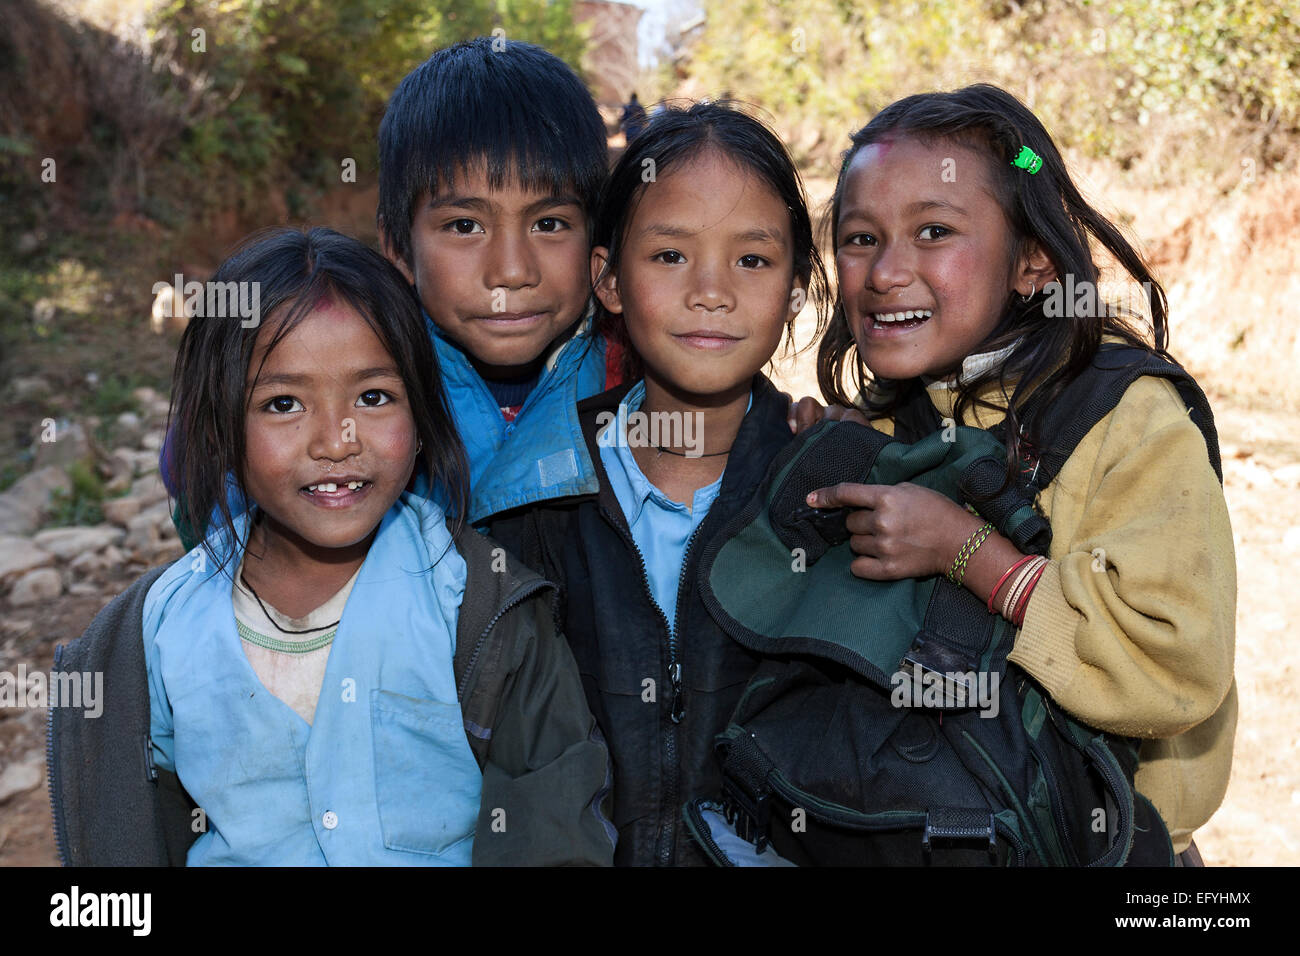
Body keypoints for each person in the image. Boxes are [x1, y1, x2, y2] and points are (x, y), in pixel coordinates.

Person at [49, 227, 615, 866]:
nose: (336, 439)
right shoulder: (158, 633)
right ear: (219, 432)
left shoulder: (482, 610)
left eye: (373, 397)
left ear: (424, 418)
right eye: (284, 403)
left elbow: (555, 830)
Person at [807, 84, 1235, 862]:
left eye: (933, 231)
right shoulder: (882, 415)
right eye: (860, 238)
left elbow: (1175, 663)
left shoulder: (1125, 420)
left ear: (1034, 261)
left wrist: (973, 555)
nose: (885, 272)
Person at [500, 102, 830, 865]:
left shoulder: (827, 495)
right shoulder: (537, 490)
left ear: (795, 291)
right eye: (670, 256)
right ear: (608, 280)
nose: (711, 291)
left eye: (753, 260)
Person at [376, 37, 615, 529]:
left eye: (548, 224)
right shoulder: (364, 387)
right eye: (465, 226)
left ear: (597, 240)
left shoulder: (637, 381)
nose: (511, 272)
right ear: (399, 248)